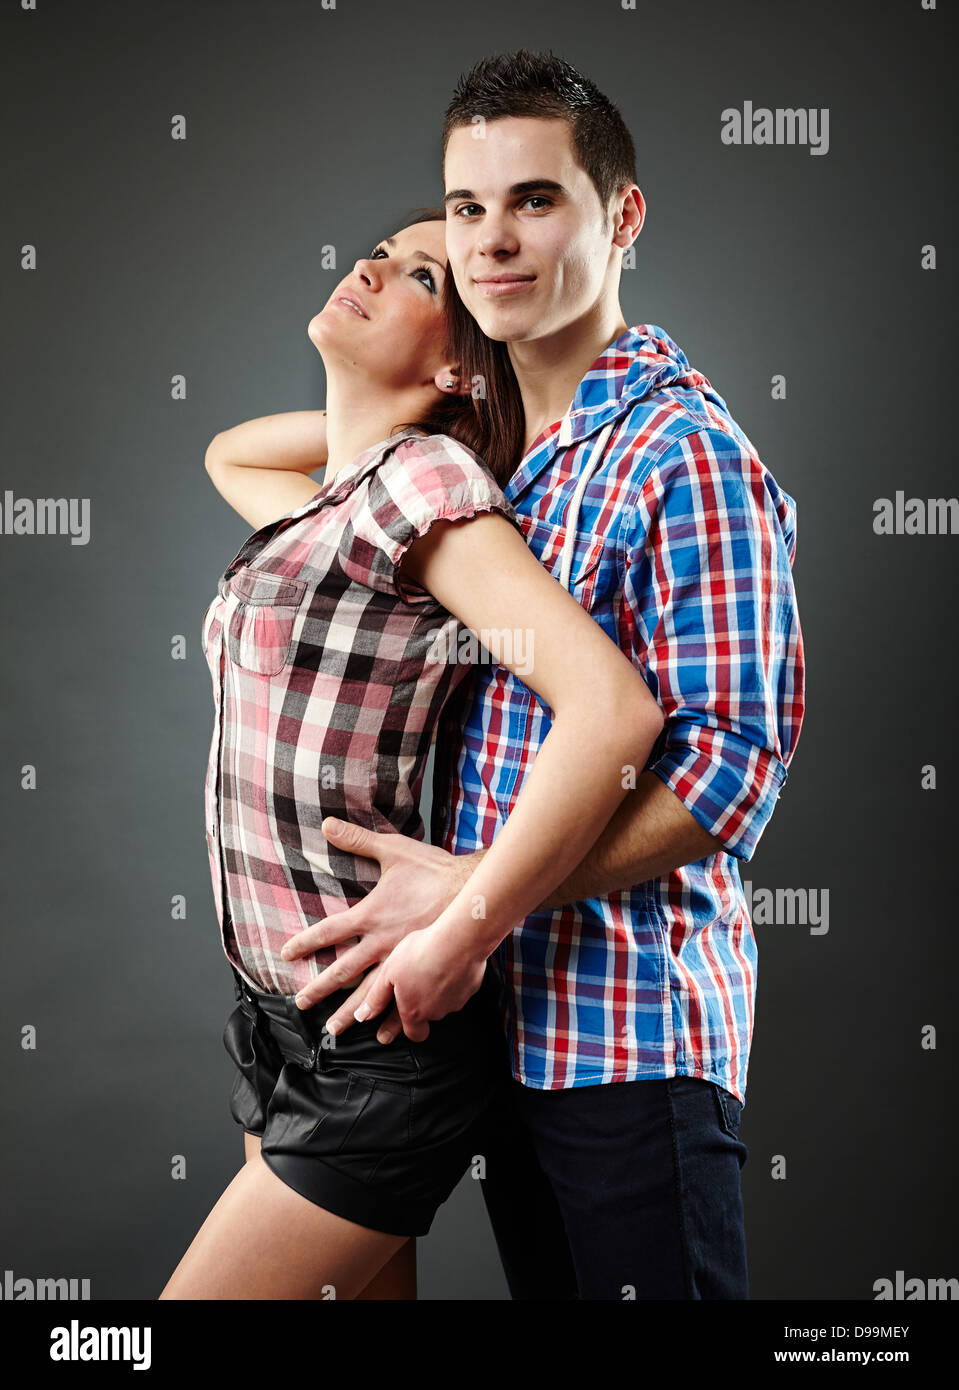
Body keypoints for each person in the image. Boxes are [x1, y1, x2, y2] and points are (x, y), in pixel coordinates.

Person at [282, 51, 807, 1300]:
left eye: (534, 201)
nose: (490, 242)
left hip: (630, 1040)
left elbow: (730, 772)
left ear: (618, 216)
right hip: (503, 1034)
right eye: (466, 208)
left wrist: (478, 896)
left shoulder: (686, 453)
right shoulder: (497, 454)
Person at [157, 208, 664, 1301]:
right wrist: (362, 433)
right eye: (376, 253)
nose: (371, 267)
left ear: (455, 362)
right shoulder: (340, 507)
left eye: (418, 275)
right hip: (277, 1022)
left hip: (371, 1044)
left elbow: (611, 710)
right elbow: (226, 448)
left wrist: (460, 416)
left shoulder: (420, 486)